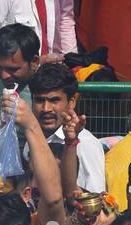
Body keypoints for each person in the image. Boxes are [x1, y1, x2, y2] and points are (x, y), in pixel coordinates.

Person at [29, 63, 106, 194]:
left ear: (72, 102)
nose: (46, 108)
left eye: (54, 100)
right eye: (39, 100)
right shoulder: (33, 137)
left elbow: (96, 199)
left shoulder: (85, 144)